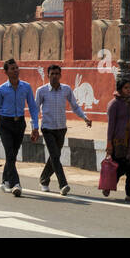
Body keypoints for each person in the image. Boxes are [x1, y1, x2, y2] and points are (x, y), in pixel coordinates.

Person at [35, 63, 92, 196]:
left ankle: (44, 180)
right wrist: (34, 127)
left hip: (61, 128)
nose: (54, 76)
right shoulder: (41, 91)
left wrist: (84, 117)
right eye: (52, 74)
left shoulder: (66, 90)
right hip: (47, 128)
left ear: (60, 75)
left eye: (57, 74)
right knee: (55, 156)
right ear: (48, 75)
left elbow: (75, 106)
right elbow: (35, 109)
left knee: (55, 156)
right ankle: (63, 184)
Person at [0, 58, 39, 197]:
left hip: (20, 124)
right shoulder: (1, 90)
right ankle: (16, 183)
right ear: (6, 72)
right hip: (5, 124)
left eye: (17, 68)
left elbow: (33, 108)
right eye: (12, 69)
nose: (16, 71)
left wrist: (35, 126)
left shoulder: (26, 87)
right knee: (10, 153)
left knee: (13, 155)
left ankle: (5, 181)